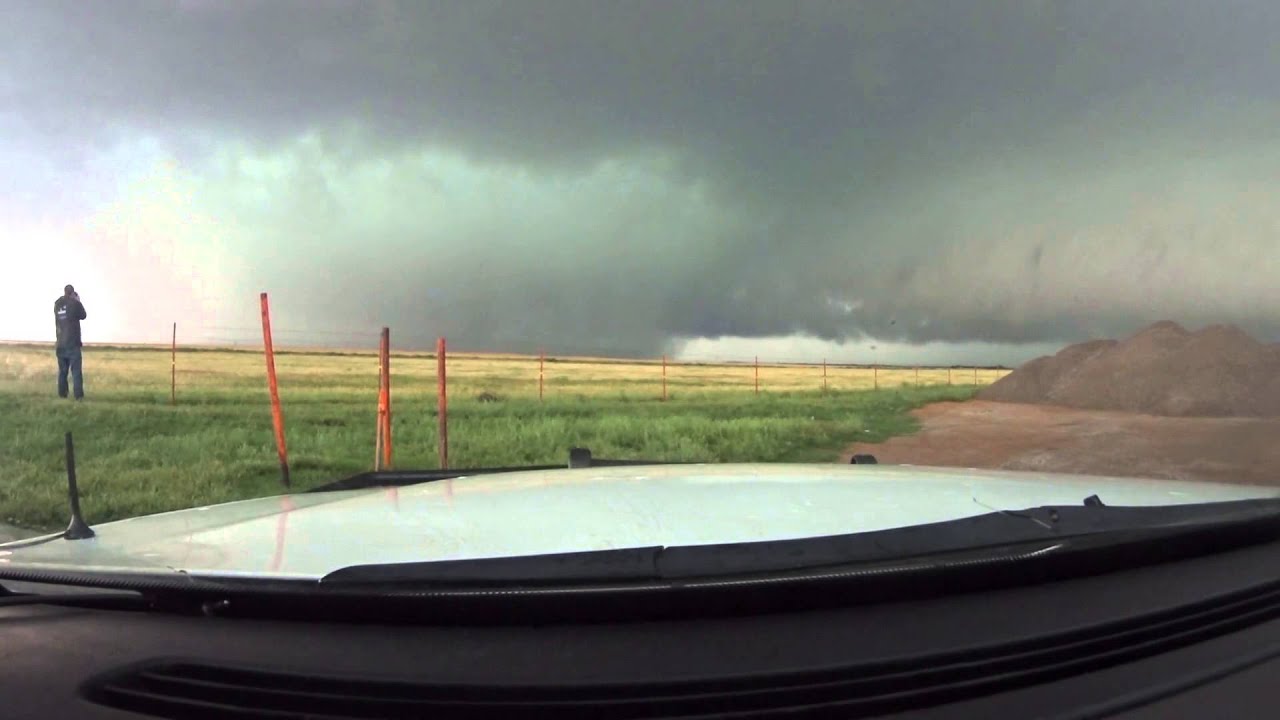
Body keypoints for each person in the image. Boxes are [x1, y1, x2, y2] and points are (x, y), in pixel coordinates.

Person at [53, 284, 88, 400]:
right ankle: (78, 396)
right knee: (76, 371)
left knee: (62, 371)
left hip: (60, 342)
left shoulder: (57, 304)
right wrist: (77, 301)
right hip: (72, 343)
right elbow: (83, 315)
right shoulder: (75, 303)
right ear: (73, 293)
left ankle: (62, 395)